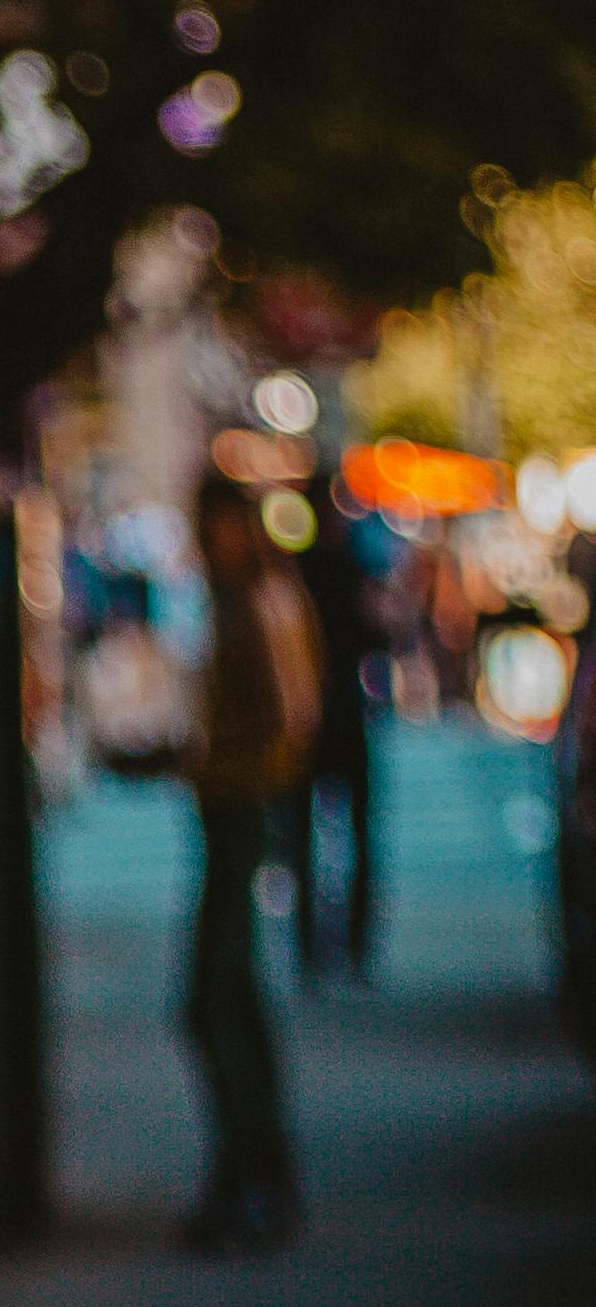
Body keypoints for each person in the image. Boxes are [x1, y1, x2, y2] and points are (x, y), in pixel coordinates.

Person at [180, 459, 320, 1253]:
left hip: (240, 816)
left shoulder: (260, 601)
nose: (208, 541)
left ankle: (254, 1173)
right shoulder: (239, 598)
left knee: (216, 999)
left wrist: (211, 761)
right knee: (225, 1001)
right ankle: (248, 1172)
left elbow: (289, 720)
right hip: (228, 812)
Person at [291, 480, 382, 982]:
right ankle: (354, 945)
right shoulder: (351, 567)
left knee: (304, 836)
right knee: (359, 834)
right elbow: (379, 635)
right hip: (345, 712)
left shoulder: (298, 571)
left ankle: (311, 946)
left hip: (313, 718)